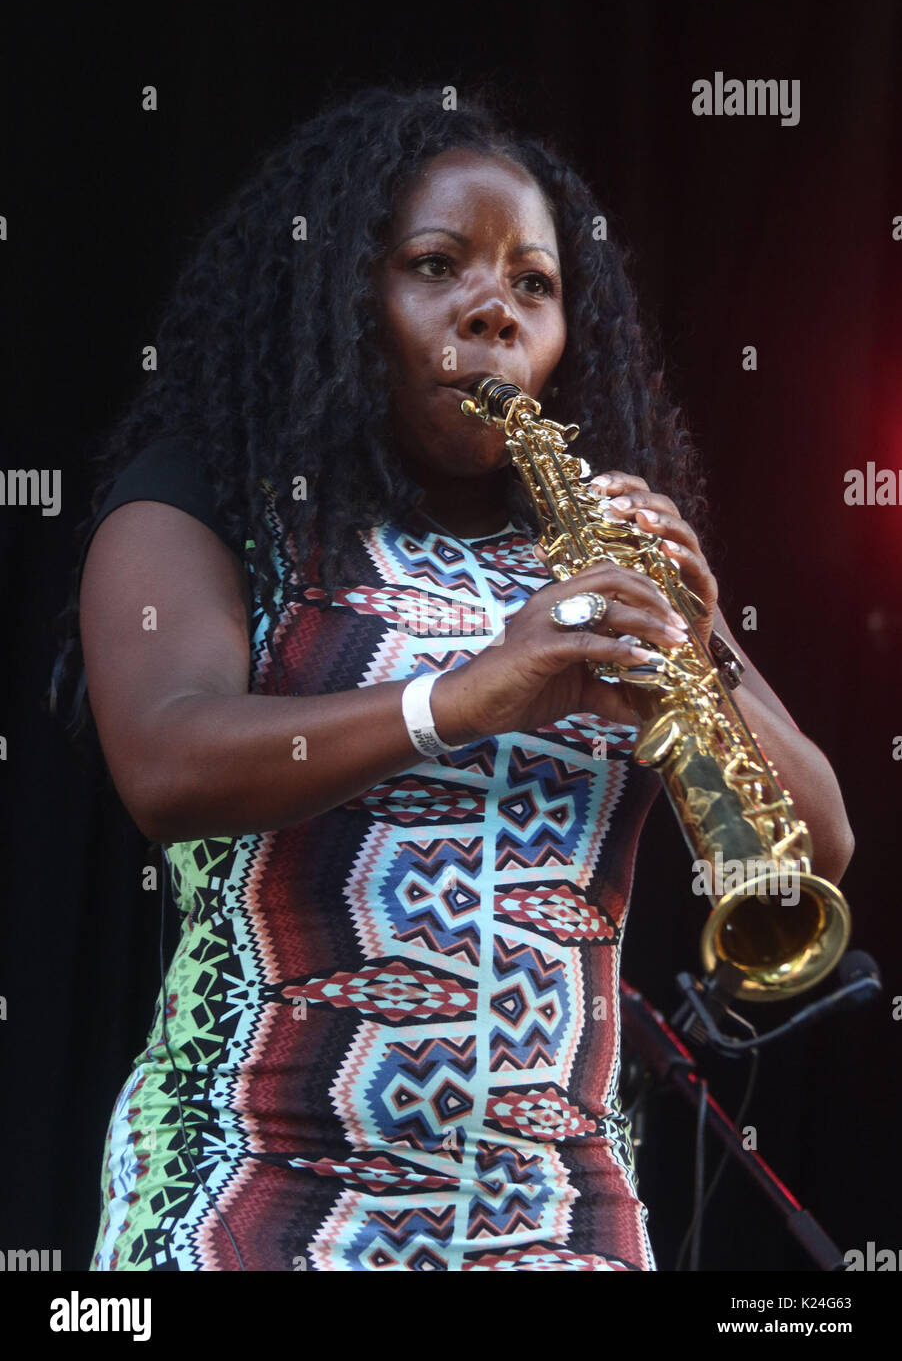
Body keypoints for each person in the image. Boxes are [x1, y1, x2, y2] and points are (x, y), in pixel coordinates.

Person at [52, 84, 854, 1271]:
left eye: (533, 285)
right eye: (437, 266)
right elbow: (169, 758)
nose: (492, 309)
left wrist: (693, 642)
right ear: (345, 301)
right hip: (257, 1201)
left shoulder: (604, 555)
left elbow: (815, 844)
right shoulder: (211, 498)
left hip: (558, 1219)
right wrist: (464, 697)